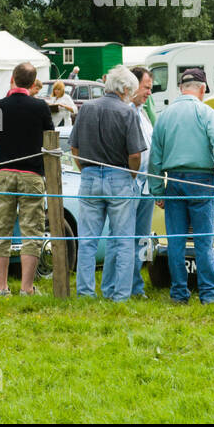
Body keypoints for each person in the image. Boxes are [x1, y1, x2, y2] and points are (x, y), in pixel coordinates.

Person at [148, 67, 214, 305]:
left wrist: (157, 190)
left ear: (180, 89)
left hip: (173, 182)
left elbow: (154, 159)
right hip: (201, 181)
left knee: (175, 241)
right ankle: (208, 294)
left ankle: (178, 294)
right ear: (203, 88)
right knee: (204, 241)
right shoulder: (206, 112)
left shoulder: (164, 115)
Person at [70, 66, 145, 302]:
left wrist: (86, 170)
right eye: (130, 91)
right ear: (124, 89)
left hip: (90, 176)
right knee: (123, 240)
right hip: (120, 176)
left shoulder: (87, 109)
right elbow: (135, 155)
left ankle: (85, 293)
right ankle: (119, 295)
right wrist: (131, 177)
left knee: (87, 241)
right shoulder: (128, 113)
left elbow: (74, 148)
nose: (130, 95)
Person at [0, 62, 54, 297]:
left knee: (0, 230)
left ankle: (2, 287)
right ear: (34, 83)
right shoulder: (41, 107)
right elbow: (50, 136)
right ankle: (26, 287)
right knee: (31, 231)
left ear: (13, 78)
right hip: (32, 174)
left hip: (4, 173)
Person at [101, 66, 155, 299]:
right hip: (129, 183)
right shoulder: (123, 112)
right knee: (120, 239)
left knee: (141, 240)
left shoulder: (143, 113)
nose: (149, 93)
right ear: (131, 86)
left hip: (146, 186)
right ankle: (112, 286)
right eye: (146, 88)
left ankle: (135, 285)